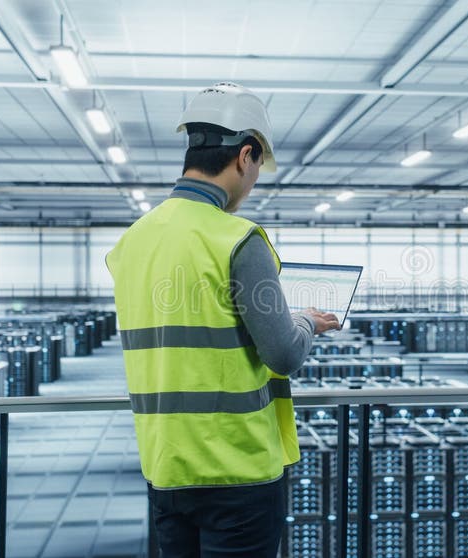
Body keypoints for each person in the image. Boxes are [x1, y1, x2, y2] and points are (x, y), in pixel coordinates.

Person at [106, 82, 340, 558]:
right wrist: (308, 324)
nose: (254, 181)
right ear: (245, 155)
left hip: (166, 464)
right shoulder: (237, 239)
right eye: (257, 168)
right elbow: (283, 353)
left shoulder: (133, 240)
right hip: (236, 470)